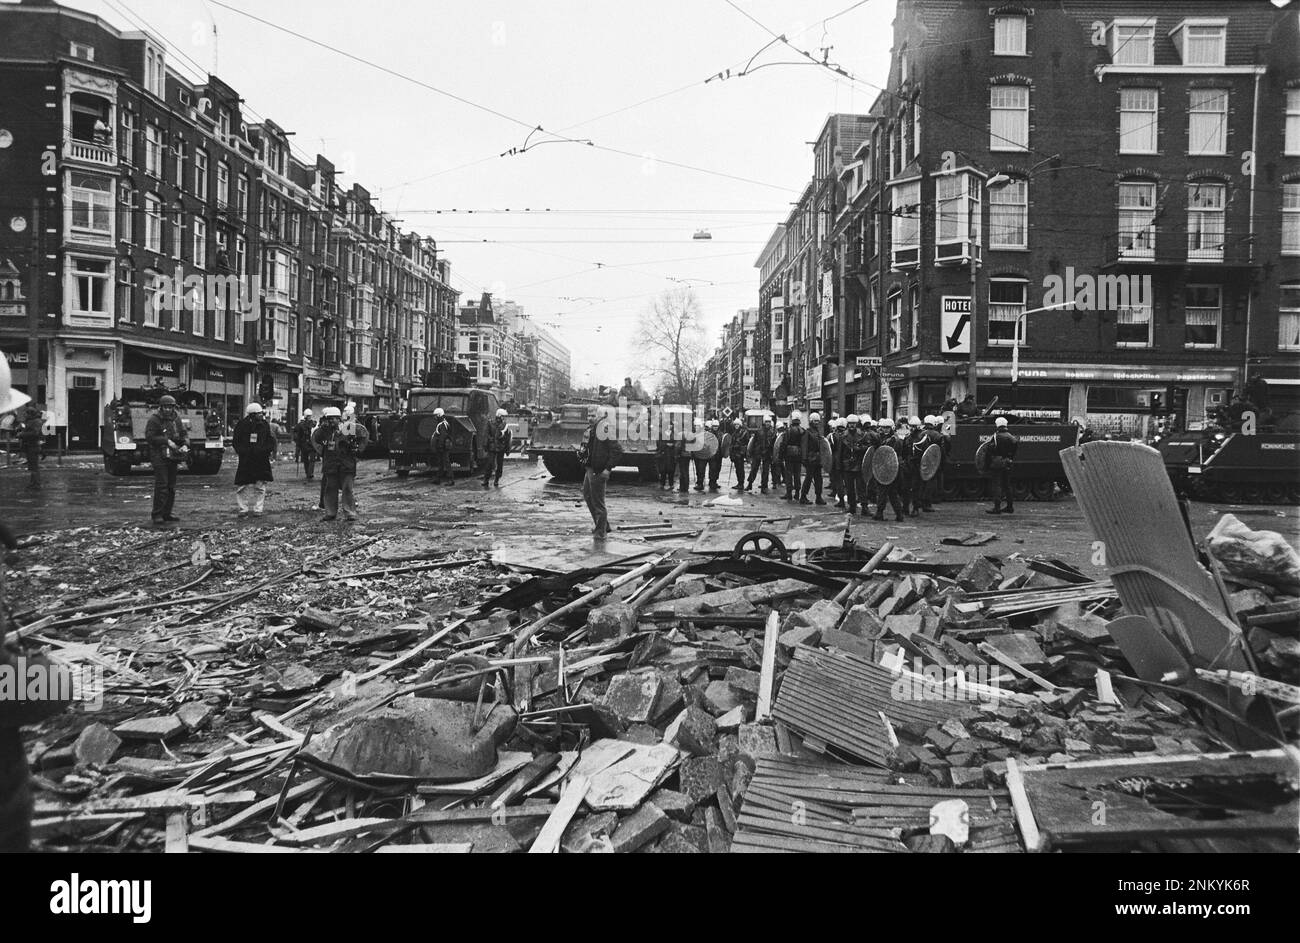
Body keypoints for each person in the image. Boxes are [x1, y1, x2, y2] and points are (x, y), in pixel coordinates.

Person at [314, 406, 368, 521]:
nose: (331, 421)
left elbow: (362, 436)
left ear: (339, 419)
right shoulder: (325, 431)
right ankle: (330, 512)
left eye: (333, 418)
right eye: (329, 419)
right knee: (330, 488)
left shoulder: (348, 428)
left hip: (346, 464)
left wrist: (357, 449)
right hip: (331, 464)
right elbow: (316, 439)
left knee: (347, 488)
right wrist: (322, 428)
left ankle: (349, 512)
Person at [145, 394, 187, 525]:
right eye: (165, 407)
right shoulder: (154, 419)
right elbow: (150, 437)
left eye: (170, 407)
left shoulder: (176, 419)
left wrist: (186, 444)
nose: (168, 410)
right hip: (159, 455)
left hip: (173, 455)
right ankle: (157, 514)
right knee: (162, 485)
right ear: (161, 407)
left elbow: (183, 434)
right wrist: (166, 441)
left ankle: (167, 513)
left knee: (171, 486)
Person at [582, 405, 623, 540]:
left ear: (600, 416)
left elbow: (617, 450)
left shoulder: (605, 428)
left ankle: (601, 533)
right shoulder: (592, 429)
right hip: (590, 469)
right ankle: (603, 525)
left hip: (599, 471)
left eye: (593, 416)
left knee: (598, 503)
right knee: (588, 496)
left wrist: (608, 468)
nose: (590, 418)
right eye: (588, 415)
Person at [233, 402, 275, 516]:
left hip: (261, 459)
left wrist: (265, 450)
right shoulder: (242, 425)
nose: (261, 415)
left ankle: (258, 509)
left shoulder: (264, 425)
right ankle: (243, 509)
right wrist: (244, 452)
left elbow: (270, 440)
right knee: (242, 486)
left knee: (260, 485)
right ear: (252, 414)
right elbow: (236, 442)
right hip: (246, 459)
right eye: (259, 413)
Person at [872, 417, 906, 522]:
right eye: (883, 428)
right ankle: (899, 515)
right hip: (886, 468)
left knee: (884, 492)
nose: (885, 430)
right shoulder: (885, 438)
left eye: (887, 428)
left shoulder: (894, 440)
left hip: (891, 469)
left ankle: (880, 513)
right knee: (892, 493)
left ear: (891, 428)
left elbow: (888, 454)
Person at [987, 416, 1019, 515]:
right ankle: (1010, 507)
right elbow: (1014, 450)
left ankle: (997, 507)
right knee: (1007, 485)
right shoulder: (1011, 437)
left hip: (997, 462)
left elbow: (990, 448)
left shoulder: (996, 436)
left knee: (997, 484)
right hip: (1008, 462)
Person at [837, 415, 866, 514]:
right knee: (849, 488)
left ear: (856, 424)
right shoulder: (843, 436)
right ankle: (852, 506)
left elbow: (867, 449)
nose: (852, 425)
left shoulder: (862, 434)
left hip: (859, 464)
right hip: (847, 465)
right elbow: (840, 452)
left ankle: (864, 507)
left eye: (853, 423)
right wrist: (839, 466)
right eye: (850, 423)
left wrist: (860, 449)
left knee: (861, 487)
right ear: (847, 424)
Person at [799, 412, 827, 505]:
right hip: (810, 459)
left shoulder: (818, 432)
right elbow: (804, 446)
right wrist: (804, 459)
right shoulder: (807, 432)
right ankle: (803, 496)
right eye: (815, 421)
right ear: (811, 421)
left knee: (819, 478)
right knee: (808, 478)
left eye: (818, 421)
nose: (816, 423)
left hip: (818, 459)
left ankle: (818, 497)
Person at [15, 403, 43, 490]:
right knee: (32, 466)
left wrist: (21, 434)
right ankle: (33, 482)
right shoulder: (30, 421)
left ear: (30, 413)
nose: (24, 415)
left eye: (26, 414)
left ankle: (36, 484)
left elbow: (34, 433)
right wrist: (20, 429)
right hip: (29, 446)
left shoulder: (36, 421)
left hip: (33, 446)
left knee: (34, 466)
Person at [482, 407, 512, 487]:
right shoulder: (490, 423)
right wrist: (486, 445)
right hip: (492, 447)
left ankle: (496, 480)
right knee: (489, 464)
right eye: (503, 416)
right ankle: (486, 480)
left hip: (500, 448)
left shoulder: (505, 425)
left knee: (499, 465)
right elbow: (486, 434)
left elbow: (508, 438)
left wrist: (507, 449)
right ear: (499, 416)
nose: (504, 418)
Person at [746, 416, 774, 493]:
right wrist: (750, 453)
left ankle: (764, 486)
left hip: (767, 453)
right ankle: (750, 484)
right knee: (754, 469)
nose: (768, 423)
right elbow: (753, 442)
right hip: (757, 453)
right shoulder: (759, 431)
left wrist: (772, 454)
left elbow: (773, 444)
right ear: (764, 422)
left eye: (769, 422)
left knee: (765, 471)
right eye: (767, 422)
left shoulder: (772, 432)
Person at [782, 412, 805, 500]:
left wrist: (781, 455)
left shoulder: (788, 430)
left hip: (789, 455)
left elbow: (784, 443)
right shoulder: (803, 430)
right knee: (797, 474)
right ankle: (797, 493)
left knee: (789, 474)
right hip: (799, 455)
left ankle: (789, 493)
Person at [430, 407, 454, 485]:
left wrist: (440, 446)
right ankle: (438, 478)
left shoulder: (442, 424)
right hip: (443, 447)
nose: (435, 417)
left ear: (439, 415)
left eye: (436, 415)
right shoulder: (443, 423)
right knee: (441, 463)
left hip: (443, 447)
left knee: (445, 463)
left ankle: (450, 479)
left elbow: (442, 437)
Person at [294, 410, 317, 480]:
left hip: (310, 444)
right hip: (305, 444)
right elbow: (297, 436)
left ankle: (309, 473)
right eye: (309, 416)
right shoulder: (301, 425)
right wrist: (298, 445)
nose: (310, 417)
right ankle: (308, 473)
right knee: (307, 460)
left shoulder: (313, 424)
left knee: (311, 460)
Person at [728, 419, 748, 490]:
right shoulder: (734, 433)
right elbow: (731, 444)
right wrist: (731, 454)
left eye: (738, 424)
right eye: (735, 424)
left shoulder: (744, 433)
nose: (736, 426)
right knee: (737, 469)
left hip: (740, 454)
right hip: (735, 454)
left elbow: (747, 444)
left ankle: (741, 483)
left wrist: (742, 452)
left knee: (740, 469)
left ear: (740, 425)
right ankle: (739, 483)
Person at [707, 420, 725, 492]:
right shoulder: (709, 434)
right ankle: (712, 482)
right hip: (712, 455)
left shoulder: (721, 434)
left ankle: (715, 481)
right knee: (712, 468)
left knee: (718, 468)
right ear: (712, 426)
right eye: (714, 426)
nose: (715, 427)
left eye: (716, 426)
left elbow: (723, 443)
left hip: (719, 455)